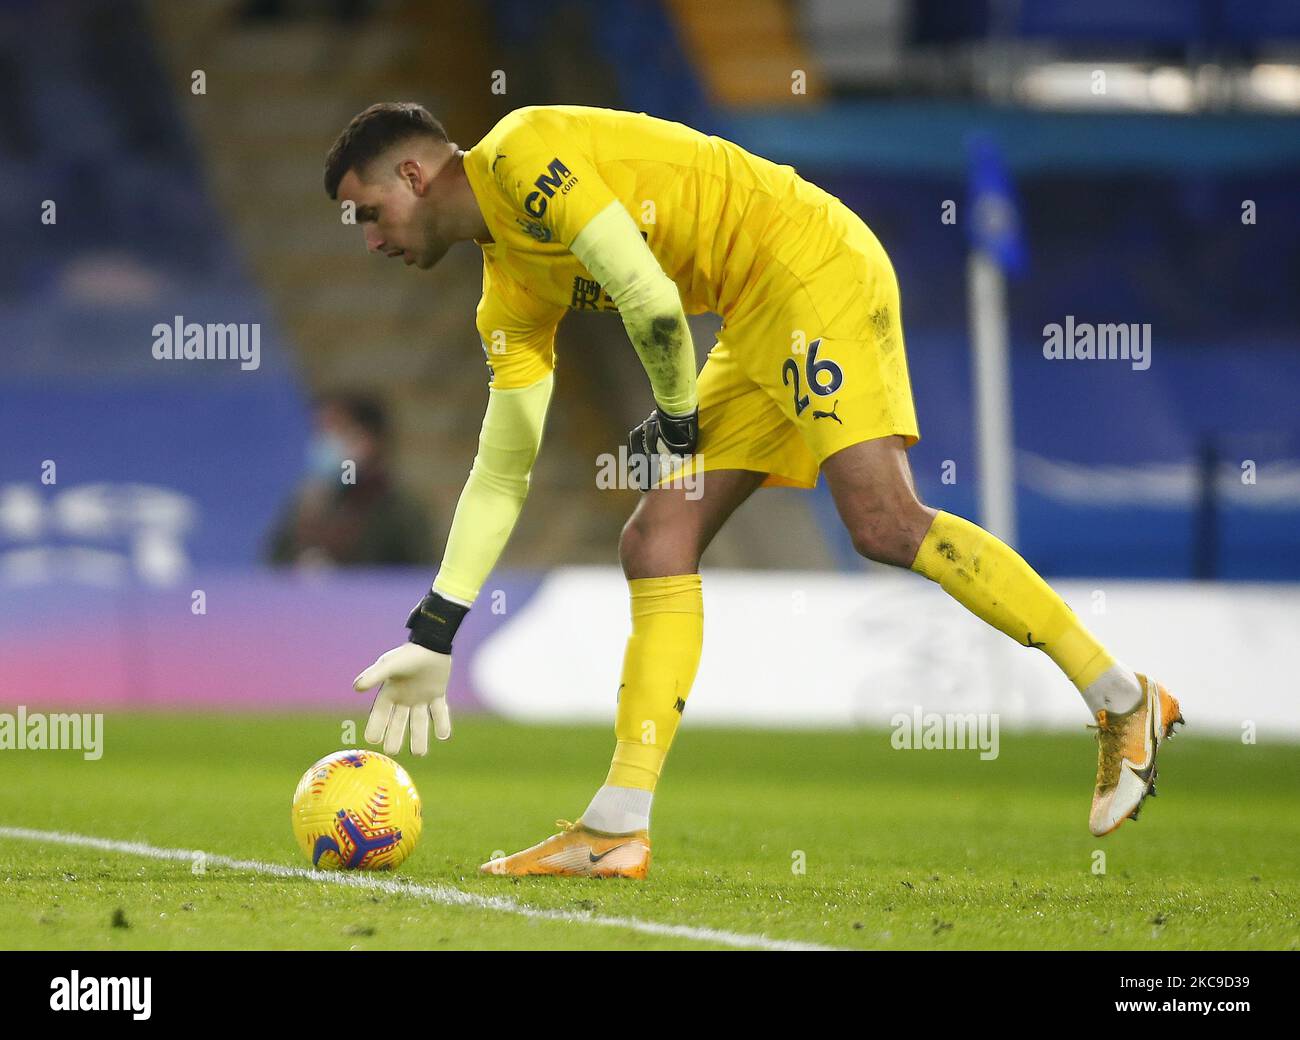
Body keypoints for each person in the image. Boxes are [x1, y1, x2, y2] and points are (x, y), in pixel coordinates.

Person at [326, 102, 1183, 879]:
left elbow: (652, 303)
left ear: (413, 175)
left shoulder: (520, 154)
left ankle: (1121, 698)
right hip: (752, 310)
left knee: (884, 522)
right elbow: (502, 468)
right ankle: (617, 826)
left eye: (367, 212)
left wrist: (672, 418)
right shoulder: (506, 294)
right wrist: (436, 627)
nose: (369, 239)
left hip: (809, 264)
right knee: (656, 537)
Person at [267, 392, 433, 567]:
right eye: (321, 433)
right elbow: (273, 568)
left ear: (369, 440)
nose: (327, 443)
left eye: (339, 431)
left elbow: (420, 577)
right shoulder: (305, 502)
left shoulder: (402, 509)